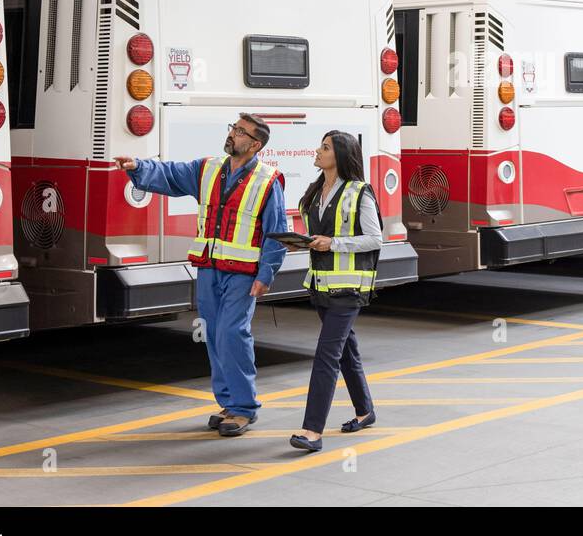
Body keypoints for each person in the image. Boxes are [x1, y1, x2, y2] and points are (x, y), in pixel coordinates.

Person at [114, 113, 285, 437]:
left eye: (240, 131)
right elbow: (172, 173)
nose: (232, 134)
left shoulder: (267, 180)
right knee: (213, 333)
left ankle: (243, 408)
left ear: (255, 144)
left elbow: (276, 233)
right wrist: (138, 166)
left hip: (243, 274)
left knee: (232, 333)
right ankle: (228, 403)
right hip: (209, 268)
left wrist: (267, 274)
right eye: (233, 127)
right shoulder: (208, 169)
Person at [288, 131, 382, 452]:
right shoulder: (316, 192)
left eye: (325, 147)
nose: (318, 150)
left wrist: (334, 243)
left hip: (349, 289)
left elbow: (375, 238)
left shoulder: (360, 193)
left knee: (327, 355)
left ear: (340, 156)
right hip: (322, 286)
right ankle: (365, 410)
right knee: (345, 351)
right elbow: (318, 234)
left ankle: (312, 430)